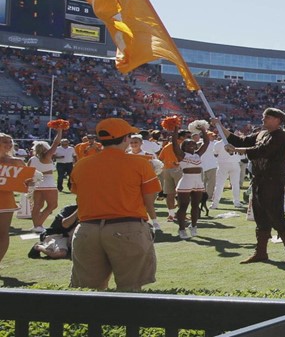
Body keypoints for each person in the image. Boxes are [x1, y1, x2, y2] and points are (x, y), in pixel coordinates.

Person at [69, 118, 160, 291]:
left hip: (87, 229)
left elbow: (77, 192)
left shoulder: (81, 164)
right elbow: (150, 199)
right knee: (130, 291)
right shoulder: (140, 163)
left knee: (88, 294)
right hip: (127, 227)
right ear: (126, 138)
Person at [215, 108, 285, 264]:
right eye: (263, 117)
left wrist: (236, 150)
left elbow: (263, 151)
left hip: (273, 180)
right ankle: (261, 252)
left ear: (277, 120)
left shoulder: (281, 136)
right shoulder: (261, 134)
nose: (263, 120)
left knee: (276, 215)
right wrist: (220, 127)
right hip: (259, 179)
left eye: (267, 117)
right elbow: (241, 141)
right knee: (260, 216)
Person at [0, 133, 37, 267]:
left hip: (5, 202)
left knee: (3, 233)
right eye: (5, 141)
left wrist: (30, 182)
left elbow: (27, 182)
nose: (9, 144)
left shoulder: (16, 161)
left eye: (10, 142)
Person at [172, 129, 210, 239]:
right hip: (186, 181)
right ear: (183, 146)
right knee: (183, 206)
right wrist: (175, 130)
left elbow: (206, 143)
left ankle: (193, 226)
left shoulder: (198, 154)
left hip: (198, 181)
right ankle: (181, 229)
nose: (192, 145)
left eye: (193, 143)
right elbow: (174, 144)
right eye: (189, 144)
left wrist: (203, 130)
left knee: (196, 205)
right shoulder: (181, 155)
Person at [28, 126, 66, 233]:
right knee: (52, 205)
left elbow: (28, 171)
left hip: (36, 183)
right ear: (45, 148)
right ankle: (39, 224)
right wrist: (60, 130)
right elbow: (56, 142)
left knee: (37, 205)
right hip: (48, 183)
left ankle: (36, 226)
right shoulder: (46, 156)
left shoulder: (31, 159)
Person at [211, 133, 243, 209]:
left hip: (223, 164)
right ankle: (237, 202)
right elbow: (241, 154)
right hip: (234, 163)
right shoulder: (237, 142)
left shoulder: (218, 144)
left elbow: (215, 154)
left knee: (219, 184)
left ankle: (215, 204)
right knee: (235, 184)